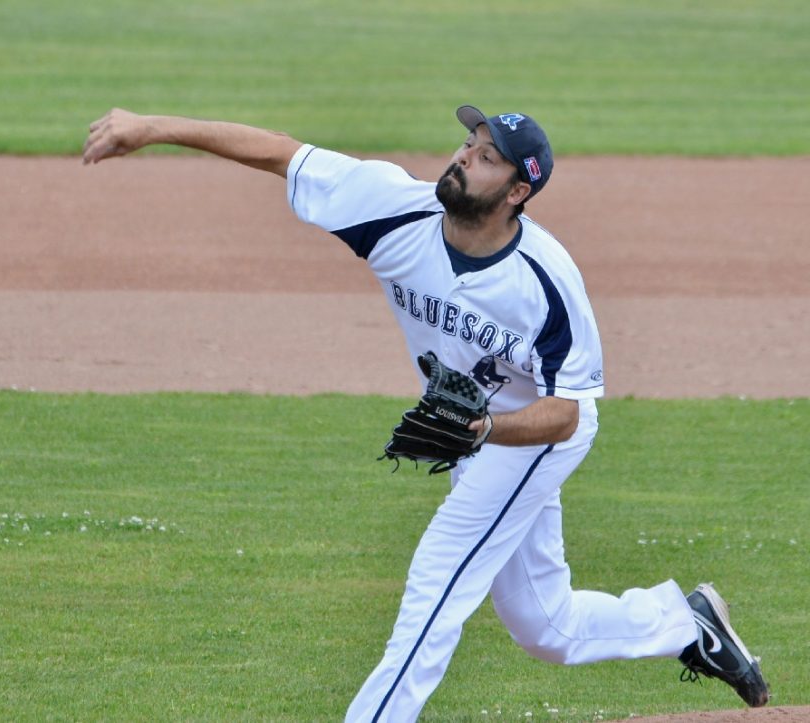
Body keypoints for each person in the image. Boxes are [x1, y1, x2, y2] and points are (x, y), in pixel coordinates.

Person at [82, 106, 770, 719]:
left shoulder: (547, 283)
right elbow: (281, 152)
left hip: (536, 435)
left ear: (517, 191)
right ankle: (682, 621)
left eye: (489, 156)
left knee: (434, 589)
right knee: (545, 627)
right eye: (470, 144)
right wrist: (153, 128)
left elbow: (566, 413)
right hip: (481, 431)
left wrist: (486, 429)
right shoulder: (393, 208)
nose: (466, 157)